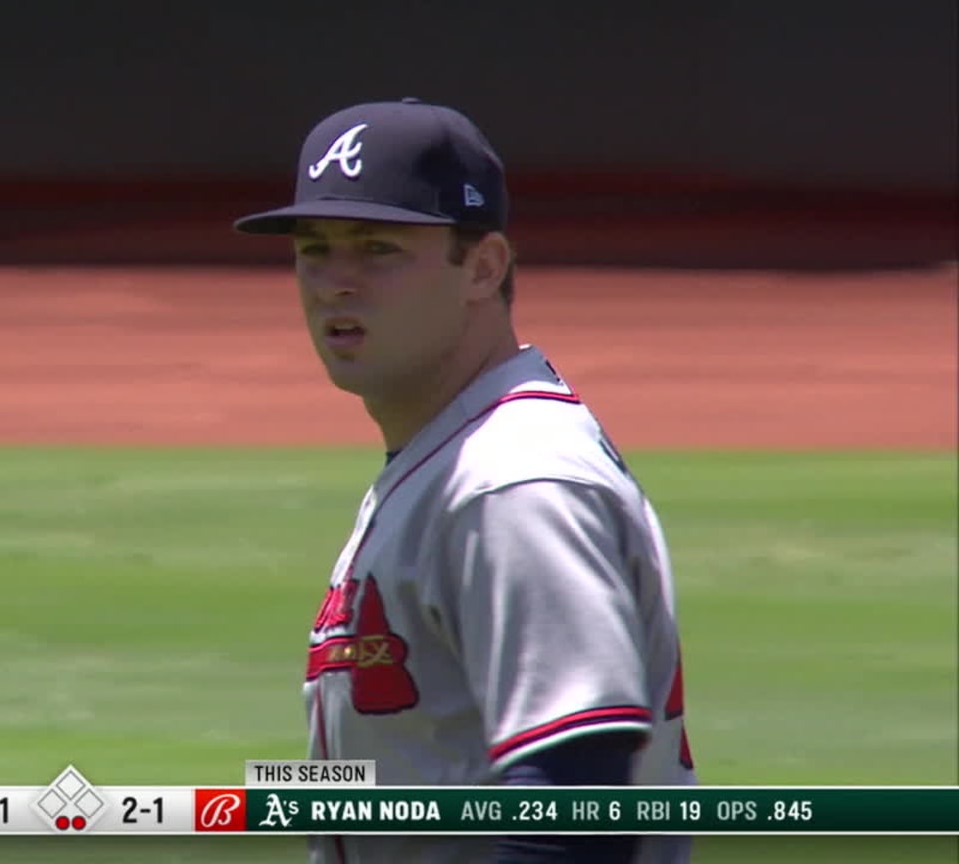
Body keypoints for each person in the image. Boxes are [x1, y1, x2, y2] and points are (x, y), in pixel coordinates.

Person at [233, 99, 696, 864]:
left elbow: (572, 811)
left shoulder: (513, 480)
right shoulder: (456, 454)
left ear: (483, 268)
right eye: (314, 248)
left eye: (378, 249)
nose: (334, 283)